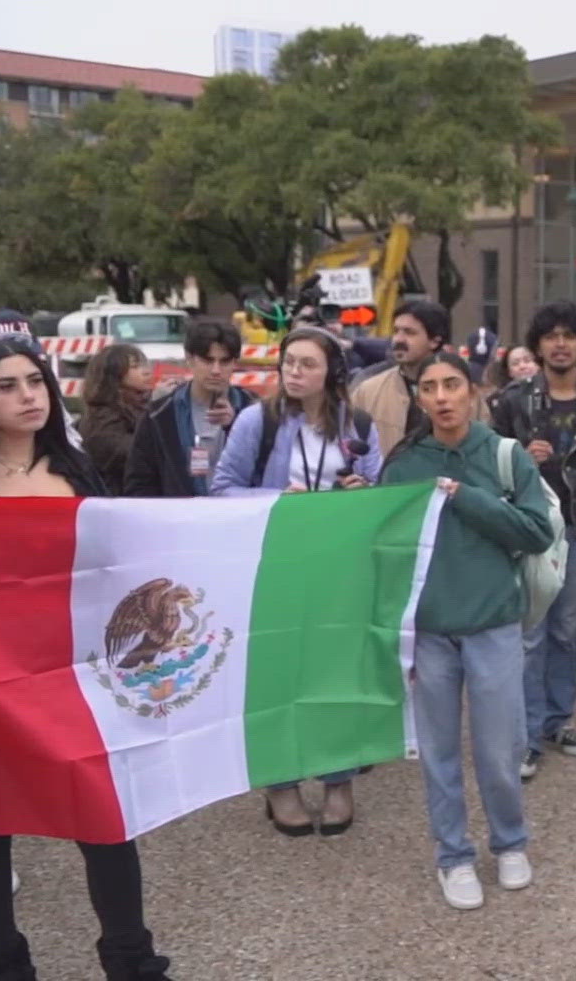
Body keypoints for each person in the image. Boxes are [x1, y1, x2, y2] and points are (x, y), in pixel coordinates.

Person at [0, 341, 172, 980]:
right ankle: (4, 966)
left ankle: (133, 962)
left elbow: (117, 563)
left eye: (36, 382)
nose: (28, 396)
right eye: (6, 385)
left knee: (104, 816)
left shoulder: (75, 469)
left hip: (73, 677)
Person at [381, 352, 555, 910]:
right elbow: (383, 547)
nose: (441, 397)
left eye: (451, 384)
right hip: (429, 630)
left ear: (472, 391)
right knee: (437, 751)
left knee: (500, 748)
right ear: (419, 399)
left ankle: (509, 843)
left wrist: (468, 497)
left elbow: (536, 532)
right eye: (429, 387)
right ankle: (453, 855)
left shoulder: (504, 455)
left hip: (493, 624)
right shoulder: (404, 463)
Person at [212, 326, 383, 834]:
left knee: (336, 677)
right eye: (288, 362)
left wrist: (363, 488)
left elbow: (382, 490)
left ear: (331, 372)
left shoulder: (359, 424)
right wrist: (275, 503)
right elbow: (221, 489)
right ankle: (280, 784)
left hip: (340, 569)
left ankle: (338, 781)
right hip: (276, 570)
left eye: (307, 363)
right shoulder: (255, 422)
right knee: (277, 677)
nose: (294, 371)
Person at [489, 302, 576, 779]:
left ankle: (559, 721)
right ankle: (525, 737)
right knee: (531, 633)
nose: (560, 344)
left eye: (569, 335)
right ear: (538, 343)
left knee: (566, 630)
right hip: (531, 529)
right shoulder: (512, 399)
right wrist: (522, 459)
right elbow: (491, 464)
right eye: (551, 336)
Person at [124, 319, 257, 498]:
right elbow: (139, 483)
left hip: (239, 518)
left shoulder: (254, 411)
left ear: (235, 363)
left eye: (224, 361)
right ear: (189, 359)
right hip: (180, 521)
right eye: (207, 360)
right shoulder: (160, 414)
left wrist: (235, 426)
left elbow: (268, 472)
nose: (216, 370)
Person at [351, 300, 450, 454]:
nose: (398, 339)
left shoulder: (461, 391)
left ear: (434, 341)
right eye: (396, 331)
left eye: (409, 332)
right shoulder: (368, 391)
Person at [79, 344, 153, 491]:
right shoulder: (101, 419)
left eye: (145, 365)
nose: (146, 372)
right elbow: (135, 454)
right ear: (114, 375)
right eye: (135, 366)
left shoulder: (138, 406)